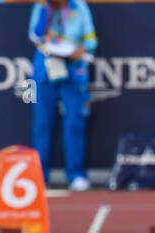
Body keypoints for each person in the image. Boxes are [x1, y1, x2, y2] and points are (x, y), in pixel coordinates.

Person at [28, 0, 98, 191]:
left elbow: (91, 39)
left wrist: (83, 49)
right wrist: (44, 9)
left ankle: (76, 174)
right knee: (42, 124)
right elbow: (35, 36)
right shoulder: (41, 6)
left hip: (74, 71)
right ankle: (39, 175)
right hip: (44, 71)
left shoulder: (79, 7)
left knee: (74, 124)